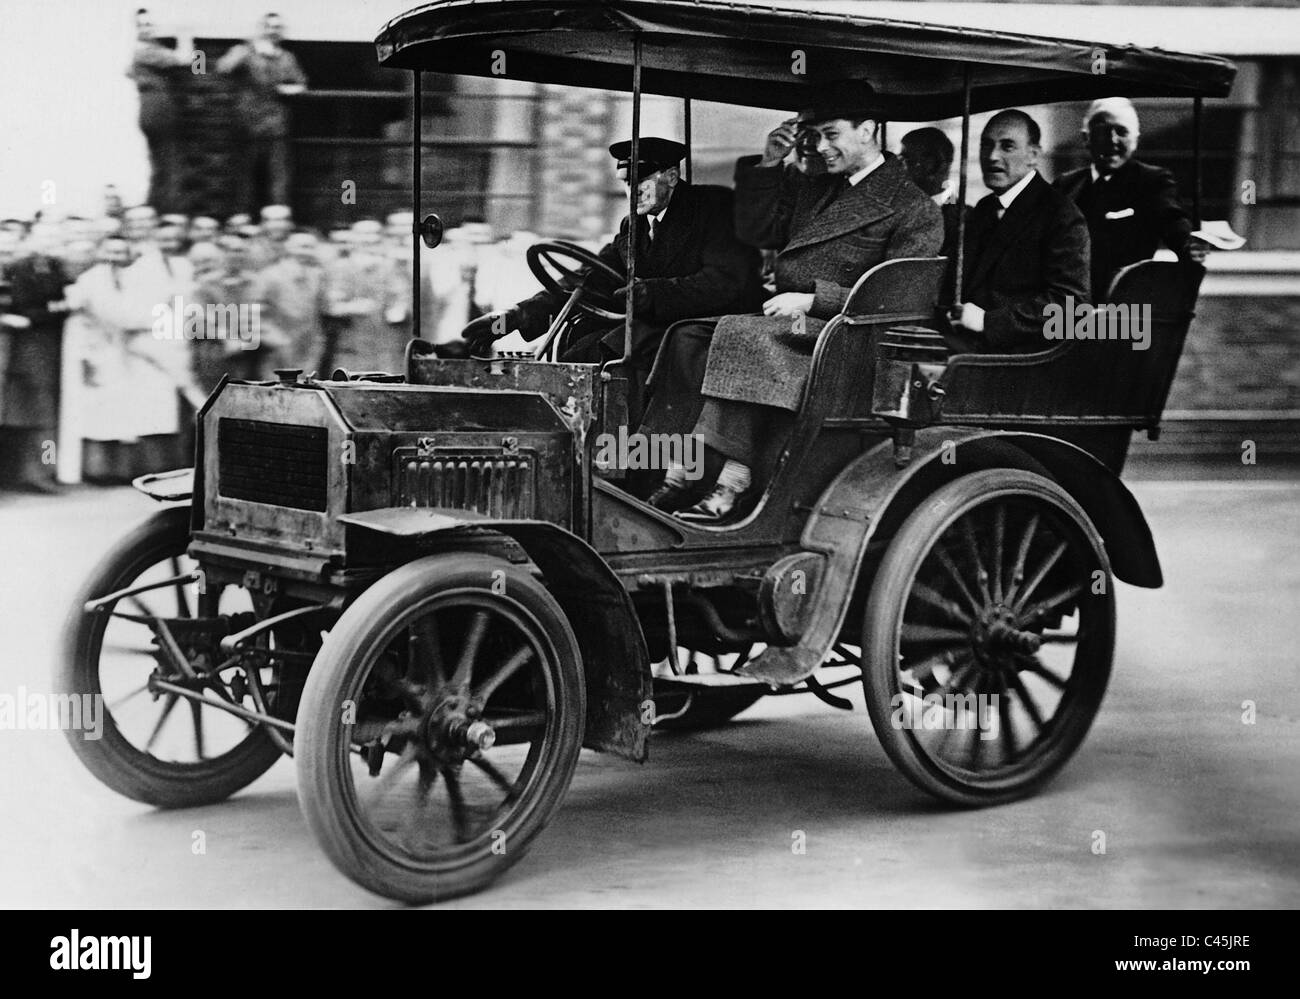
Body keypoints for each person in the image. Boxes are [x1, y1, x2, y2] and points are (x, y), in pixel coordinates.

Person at [645, 80, 943, 520]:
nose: (821, 147)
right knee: (687, 336)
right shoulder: (817, 188)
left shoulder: (913, 208)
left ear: (867, 130)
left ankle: (728, 479)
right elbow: (756, 233)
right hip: (799, 322)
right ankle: (670, 466)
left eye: (832, 134)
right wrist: (768, 163)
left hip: (853, 334)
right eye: (815, 136)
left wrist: (812, 300)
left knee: (746, 334)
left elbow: (900, 302)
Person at [463, 137, 762, 424]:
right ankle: (581, 439)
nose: (633, 192)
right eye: (628, 183)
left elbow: (726, 281)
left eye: (641, 182)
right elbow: (587, 279)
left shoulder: (714, 206)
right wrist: (514, 317)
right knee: (580, 346)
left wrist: (653, 294)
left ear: (671, 177)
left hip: (710, 323)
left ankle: (631, 451)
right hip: (657, 324)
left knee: (618, 348)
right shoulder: (633, 225)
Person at [945, 109, 1090, 354]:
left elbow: (1071, 306)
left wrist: (987, 322)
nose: (992, 156)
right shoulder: (985, 209)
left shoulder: (1059, 215)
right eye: (986, 145)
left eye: (1007, 146)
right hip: (969, 348)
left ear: (1033, 155)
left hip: (1022, 359)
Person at [1054, 97, 1204, 301]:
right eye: (1103, 131)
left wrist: (1189, 246)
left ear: (1135, 139)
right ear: (1086, 138)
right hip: (1068, 306)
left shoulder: (1151, 182)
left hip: (1125, 307)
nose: (1112, 140)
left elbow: (1174, 222)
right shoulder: (1066, 185)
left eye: (1122, 132)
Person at [0, 225, 70, 491]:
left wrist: (53, 309)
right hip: (30, 348)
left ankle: (44, 472)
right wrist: (56, 309)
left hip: (51, 345)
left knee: (47, 413)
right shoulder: (20, 269)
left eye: (53, 236)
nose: (49, 242)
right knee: (40, 415)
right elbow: (27, 310)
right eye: (43, 237)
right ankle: (39, 474)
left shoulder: (55, 267)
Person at [217, 13, 307, 213]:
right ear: (262, 29)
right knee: (245, 174)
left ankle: (278, 217)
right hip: (248, 123)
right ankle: (243, 217)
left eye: (277, 27)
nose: (273, 31)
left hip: (276, 124)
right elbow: (223, 67)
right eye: (269, 27)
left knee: (278, 174)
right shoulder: (246, 52)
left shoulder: (286, 57)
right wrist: (249, 48)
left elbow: (300, 83)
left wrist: (290, 89)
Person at [127, 9, 192, 213]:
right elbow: (188, 60)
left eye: (150, 24)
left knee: (160, 164)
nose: (147, 28)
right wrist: (188, 36)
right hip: (159, 109)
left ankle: (157, 207)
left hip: (152, 109)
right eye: (143, 25)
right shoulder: (146, 50)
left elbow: (195, 68)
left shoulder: (149, 49)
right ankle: (170, 211)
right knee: (171, 163)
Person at [256, 230, 330, 375]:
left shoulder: (317, 275)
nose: (306, 252)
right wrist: (273, 339)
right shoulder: (269, 275)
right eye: (302, 247)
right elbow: (253, 313)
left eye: (311, 247)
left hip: (309, 348)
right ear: (287, 247)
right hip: (276, 351)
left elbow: (323, 308)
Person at [899, 126, 966, 258]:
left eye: (905, 160)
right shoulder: (898, 209)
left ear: (931, 165)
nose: (898, 168)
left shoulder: (963, 219)